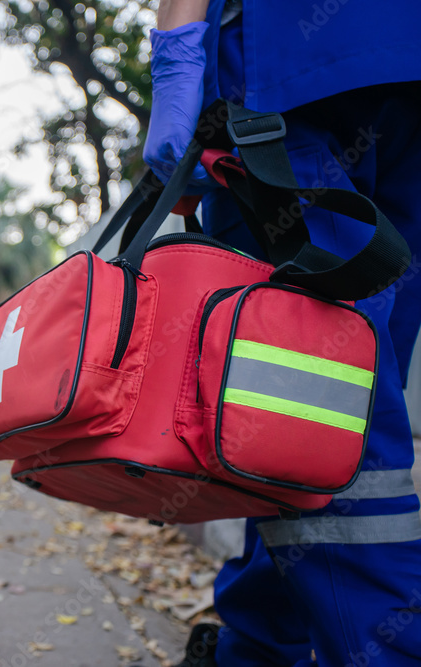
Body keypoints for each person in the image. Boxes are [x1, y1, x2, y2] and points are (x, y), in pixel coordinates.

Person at [144, 2, 421, 665]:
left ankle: (367, 651)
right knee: (305, 412)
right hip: (384, 66)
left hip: (287, 72)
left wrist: (177, 57)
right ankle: (266, 650)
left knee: (313, 415)